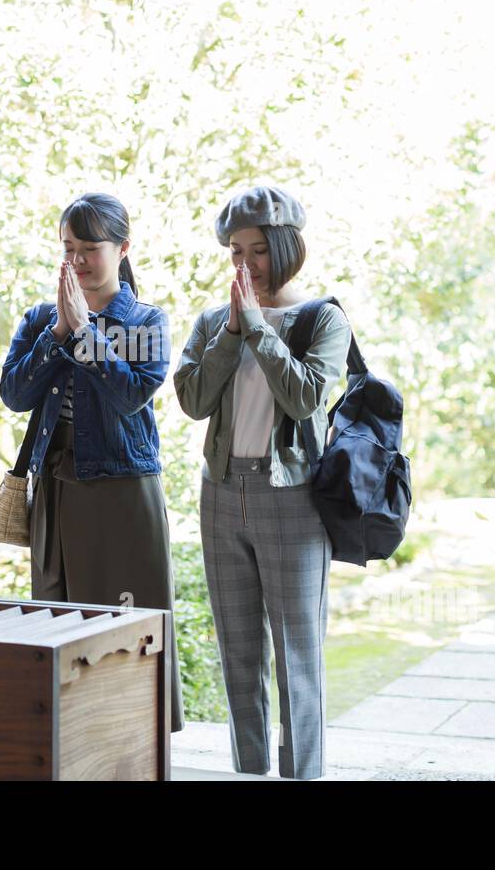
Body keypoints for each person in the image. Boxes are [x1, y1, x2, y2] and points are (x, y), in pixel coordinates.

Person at [173, 185, 352, 778]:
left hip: (292, 500)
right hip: (221, 493)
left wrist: (257, 327)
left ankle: (303, 774)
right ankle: (249, 773)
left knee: (297, 655)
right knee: (238, 653)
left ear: (285, 247)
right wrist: (231, 333)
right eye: (234, 252)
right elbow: (193, 400)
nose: (244, 264)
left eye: (257, 250)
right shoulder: (210, 323)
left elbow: (304, 399)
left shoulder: (323, 319)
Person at [0, 193, 185, 733]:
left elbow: (132, 396)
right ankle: (75, 745)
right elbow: (14, 393)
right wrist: (58, 332)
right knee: (61, 624)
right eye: (68, 248)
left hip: (124, 491)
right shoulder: (40, 318)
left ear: (123, 248)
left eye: (90, 248)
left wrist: (86, 332)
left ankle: (136, 743)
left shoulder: (147, 320)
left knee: (128, 626)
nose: (77, 260)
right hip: (55, 491)